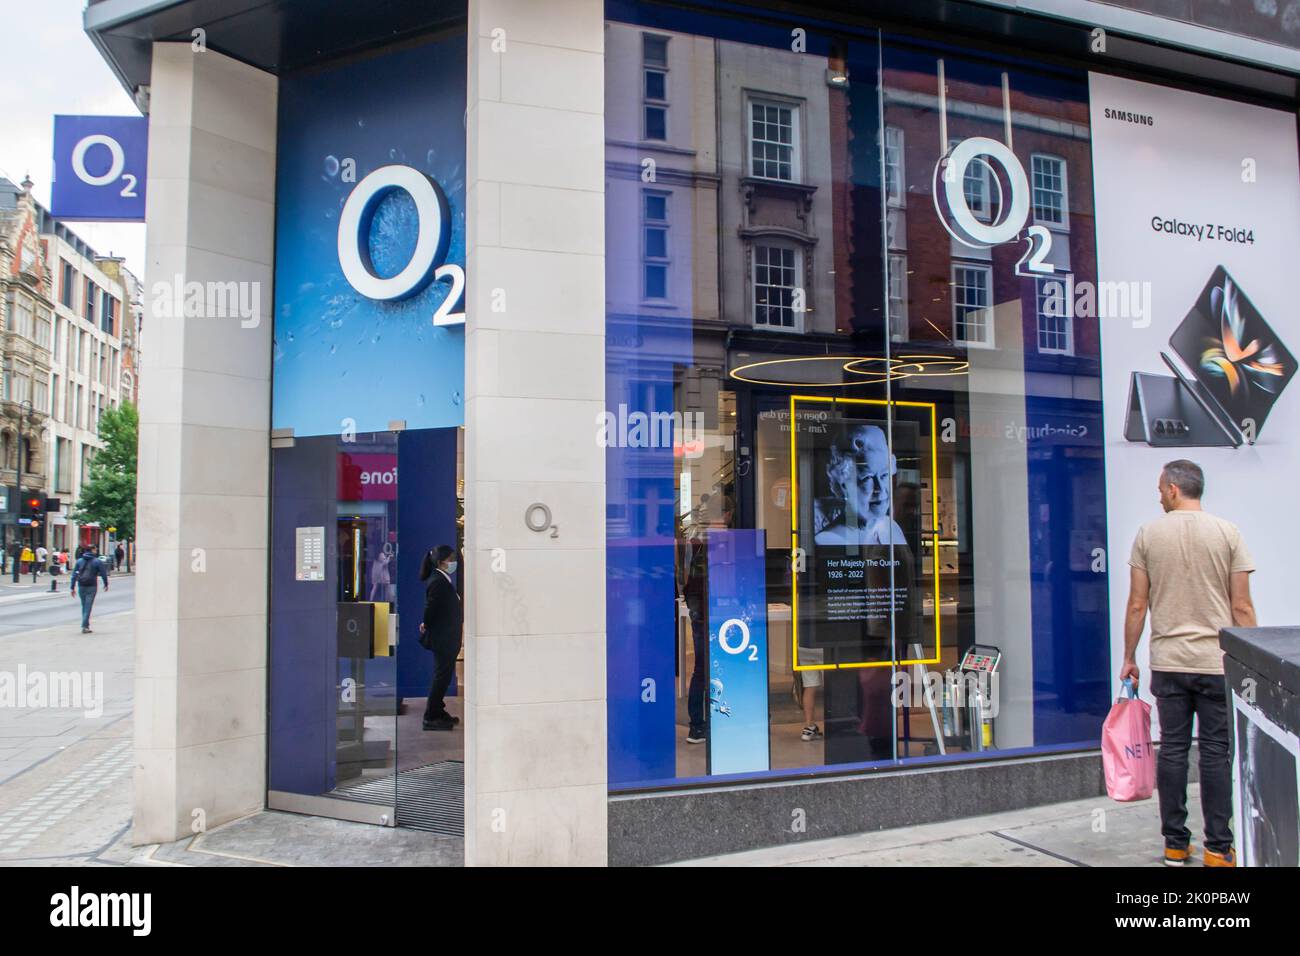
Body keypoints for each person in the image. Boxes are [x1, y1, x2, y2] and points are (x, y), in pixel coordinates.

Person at [1120, 459, 1255, 868]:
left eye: (1161, 488)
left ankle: (1175, 845)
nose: (1159, 495)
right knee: (1216, 752)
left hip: (1169, 662)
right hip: (1216, 663)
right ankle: (1218, 848)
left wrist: (1129, 657)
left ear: (1175, 489)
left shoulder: (1148, 534)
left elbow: (1138, 604)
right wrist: (1252, 664)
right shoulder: (1228, 533)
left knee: (1174, 750)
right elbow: (1242, 606)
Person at [814, 424, 907, 546]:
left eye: (884, 475)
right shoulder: (828, 540)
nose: (880, 489)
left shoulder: (892, 528)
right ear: (843, 485)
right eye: (867, 477)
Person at [419, 545, 462, 731]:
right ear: (441, 561)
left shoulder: (442, 579)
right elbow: (431, 607)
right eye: (451, 558)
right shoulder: (438, 581)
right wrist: (426, 623)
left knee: (443, 676)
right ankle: (431, 715)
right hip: (443, 637)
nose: (453, 562)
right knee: (441, 676)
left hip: (446, 636)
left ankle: (437, 710)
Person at [70, 545, 110, 634]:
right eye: (95, 549)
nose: (96, 550)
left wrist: (72, 587)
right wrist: (106, 584)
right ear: (92, 550)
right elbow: (103, 573)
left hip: (81, 585)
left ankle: (86, 626)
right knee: (88, 607)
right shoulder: (97, 561)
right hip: (92, 586)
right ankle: (84, 626)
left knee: (84, 606)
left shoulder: (79, 561)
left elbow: (74, 575)